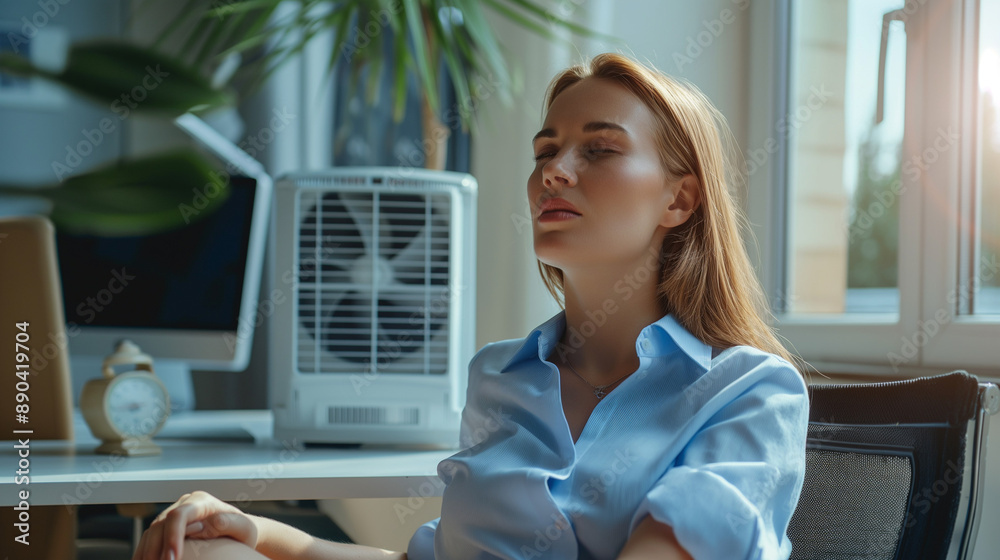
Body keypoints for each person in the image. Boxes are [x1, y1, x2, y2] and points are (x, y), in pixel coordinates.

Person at [133, 52, 809, 560]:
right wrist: (258, 531)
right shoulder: (500, 377)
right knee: (195, 549)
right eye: (547, 150)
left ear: (679, 200)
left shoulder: (751, 393)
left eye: (599, 149)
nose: (554, 170)